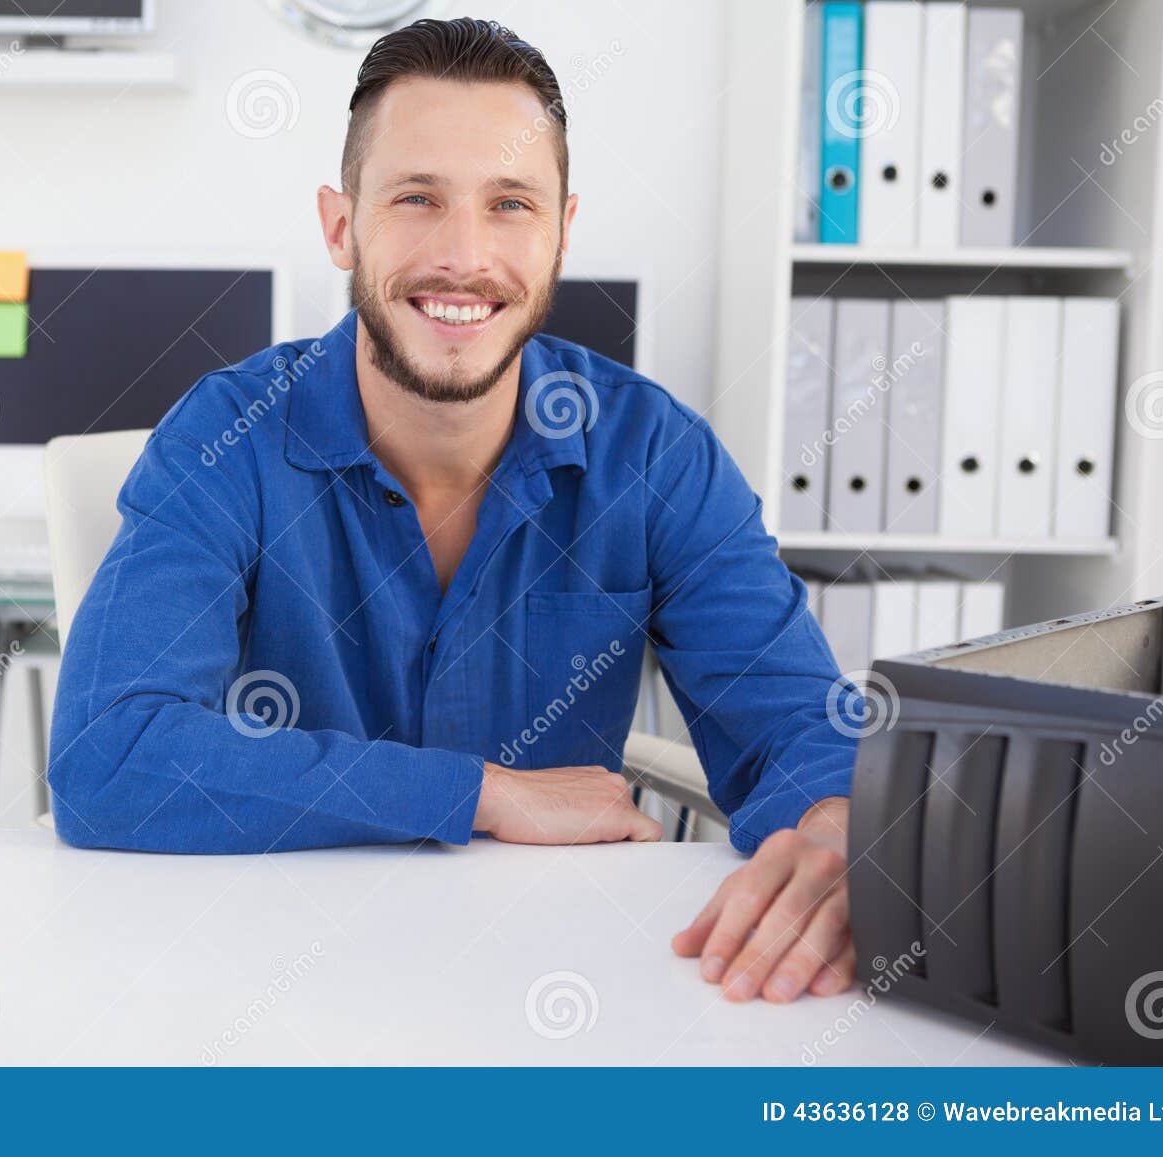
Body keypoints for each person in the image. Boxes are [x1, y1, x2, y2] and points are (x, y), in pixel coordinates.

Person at [50, 17, 860, 1003]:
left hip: (550, 983)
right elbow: (110, 753)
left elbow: (806, 727)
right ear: (342, 224)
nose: (463, 255)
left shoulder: (653, 454)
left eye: (510, 203)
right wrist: (482, 794)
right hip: (264, 981)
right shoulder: (225, 439)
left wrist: (831, 829)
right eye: (416, 198)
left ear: (563, 227)